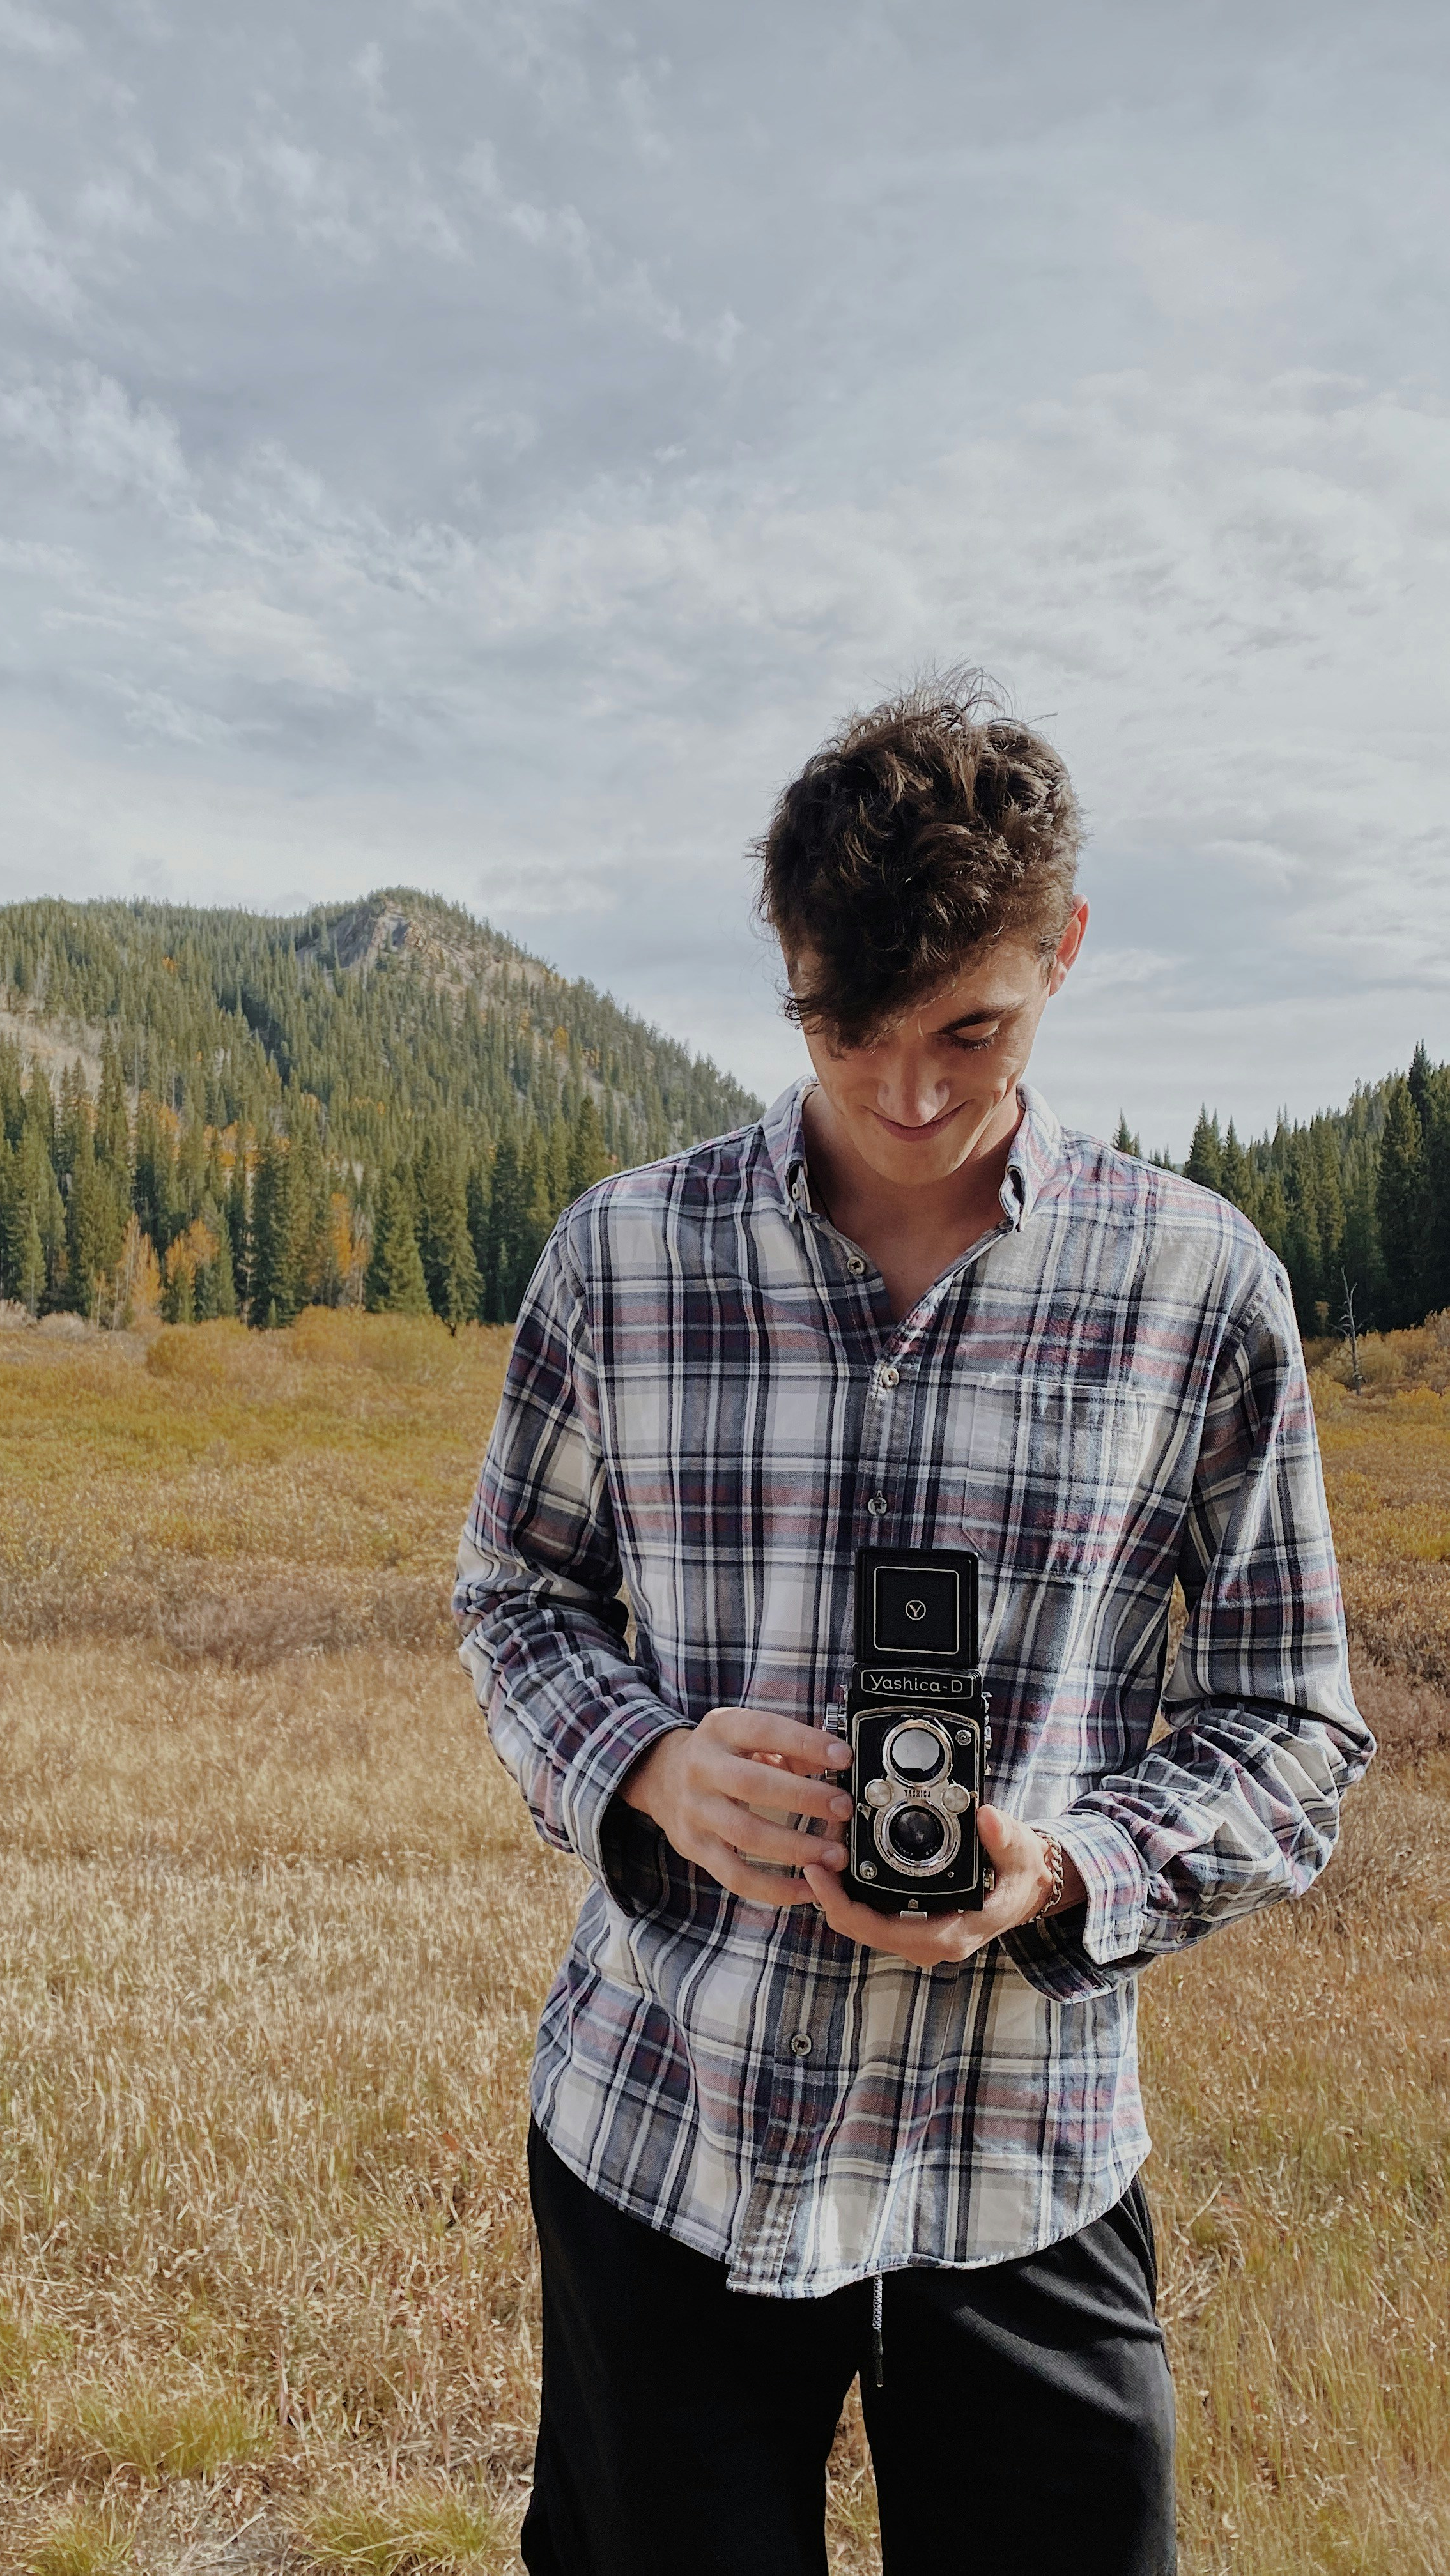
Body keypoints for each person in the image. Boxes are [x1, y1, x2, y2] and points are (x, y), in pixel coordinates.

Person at [453, 676, 1371, 2576]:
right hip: (665, 2128)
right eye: (844, 1026)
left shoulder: (1201, 1288)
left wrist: (1067, 1868)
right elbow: (514, 1597)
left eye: (974, 1027)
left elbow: (1293, 1721)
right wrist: (644, 1762)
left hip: (1025, 2160)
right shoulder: (622, 1254)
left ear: (1069, 950)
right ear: (785, 971)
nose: (912, 1094)